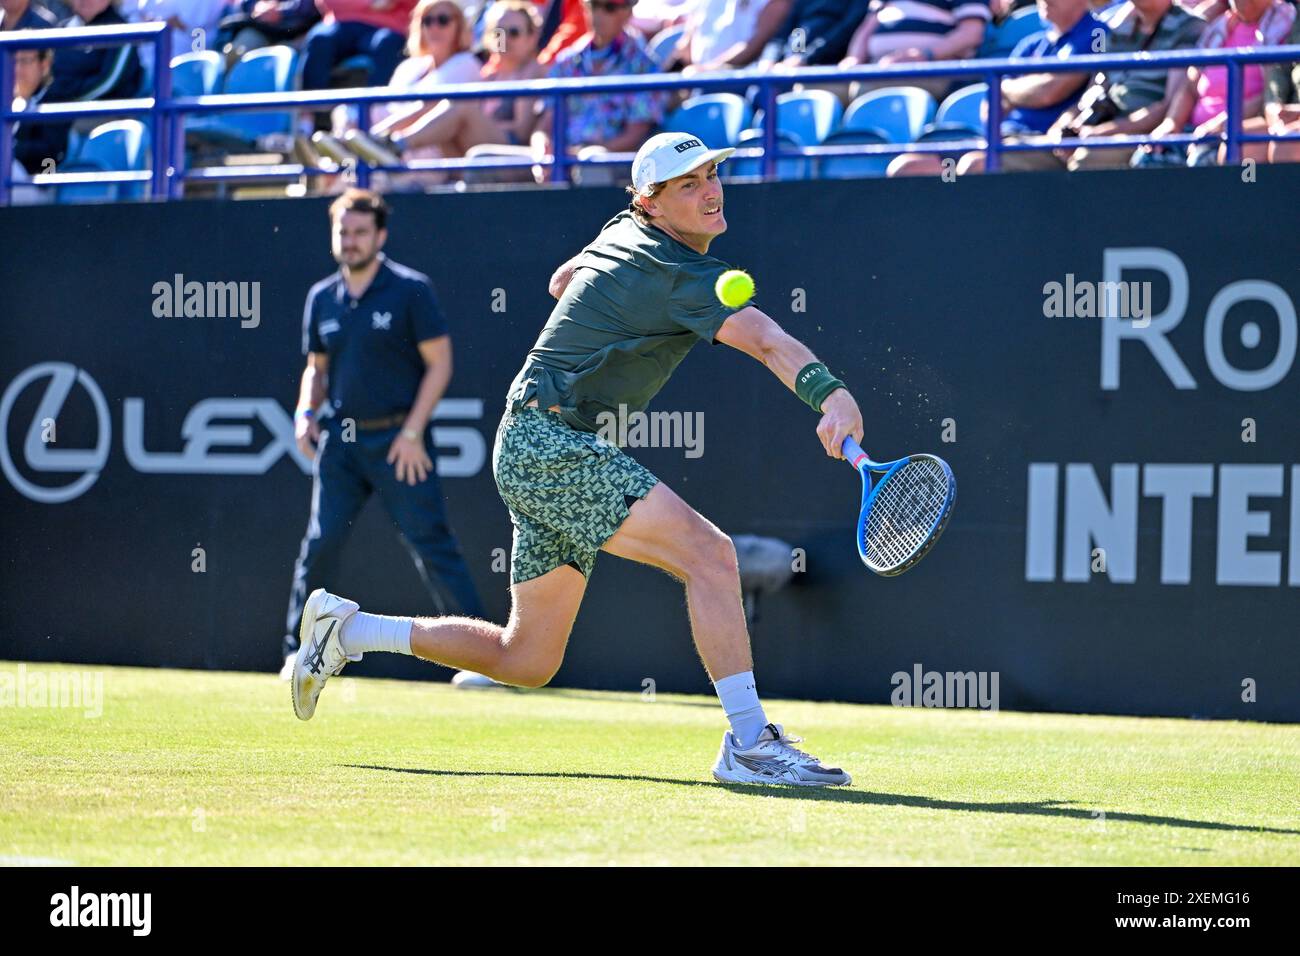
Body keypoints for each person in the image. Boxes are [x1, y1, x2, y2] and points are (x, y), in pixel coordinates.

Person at [290, 132, 866, 788]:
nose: (710, 191)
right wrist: (832, 394)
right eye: (689, 185)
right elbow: (766, 340)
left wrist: (592, 287)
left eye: (711, 175)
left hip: (532, 440)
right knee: (711, 555)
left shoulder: (623, 228)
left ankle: (351, 630)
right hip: (549, 444)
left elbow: (565, 276)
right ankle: (750, 742)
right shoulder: (675, 271)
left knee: (527, 657)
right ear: (651, 203)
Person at [281, 188, 486, 680]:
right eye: (343, 232)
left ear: (380, 235)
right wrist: (304, 412)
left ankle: (483, 659)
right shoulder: (320, 298)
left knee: (433, 544)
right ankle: (299, 651)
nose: (350, 242)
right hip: (340, 446)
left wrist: (413, 432)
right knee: (321, 543)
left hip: (400, 443)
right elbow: (317, 368)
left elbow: (440, 365)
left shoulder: (410, 289)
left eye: (360, 233)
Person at [887, 0, 1107, 175]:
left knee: (975, 166)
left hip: (1048, 147)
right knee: (909, 168)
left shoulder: (1097, 34)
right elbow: (990, 107)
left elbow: (1050, 91)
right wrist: (1017, 91)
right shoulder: (1031, 44)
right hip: (999, 141)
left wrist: (1006, 90)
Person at [1043, 0, 1205, 171]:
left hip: (1136, 139)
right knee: (1020, 153)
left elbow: (1168, 107)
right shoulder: (1114, 25)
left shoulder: (1191, 26)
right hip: (1093, 132)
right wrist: (1063, 126)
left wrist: (1099, 133)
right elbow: (1095, 89)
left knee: (1087, 159)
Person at [1136, 0, 1294, 167]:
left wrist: (1223, 123)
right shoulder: (1219, 26)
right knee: (1146, 158)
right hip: (1196, 131)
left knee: (1202, 161)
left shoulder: (1285, 23)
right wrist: (1171, 124)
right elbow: (1190, 86)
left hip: (1234, 131)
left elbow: (1271, 95)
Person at [530, 0, 668, 163]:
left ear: (628, 12)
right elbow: (543, 128)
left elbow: (636, 134)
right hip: (561, 162)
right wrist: (542, 151)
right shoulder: (566, 61)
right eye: (594, 5)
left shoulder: (643, 66)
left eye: (609, 7)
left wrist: (586, 155)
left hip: (610, 168)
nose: (598, 15)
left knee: (592, 164)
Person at [48, 0, 143, 104]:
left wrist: (68, 103)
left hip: (103, 112)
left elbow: (108, 82)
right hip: (56, 109)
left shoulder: (122, 32)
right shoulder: (62, 28)